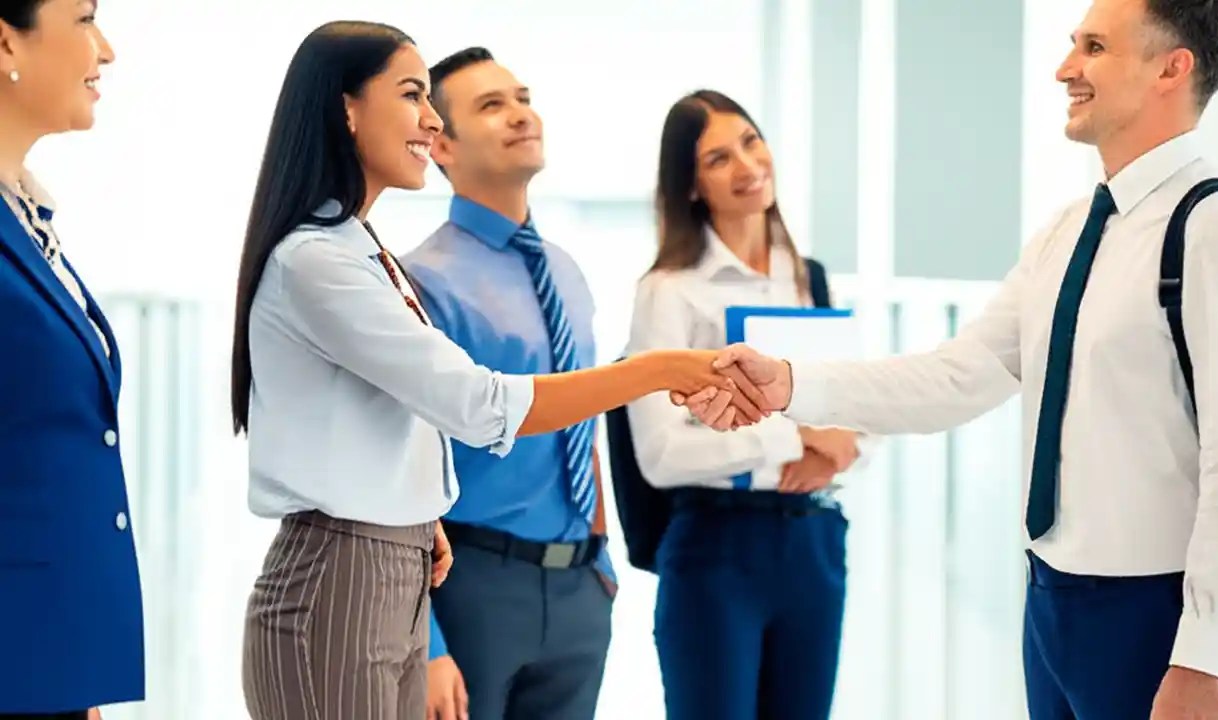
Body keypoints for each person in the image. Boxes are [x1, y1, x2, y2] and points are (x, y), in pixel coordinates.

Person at [685, 1, 1218, 718]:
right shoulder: (1068, 231)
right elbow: (957, 376)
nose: (1066, 69)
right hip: (1052, 606)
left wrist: (1204, 657)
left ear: (1171, 68)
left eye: (1093, 47)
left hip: (1155, 620)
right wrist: (789, 384)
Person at [231, 23, 761, 720]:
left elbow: (401, 421)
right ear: (346, 108)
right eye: (412, 95)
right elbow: (477, 406)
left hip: (423, 564)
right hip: (374, 573)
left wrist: (425, 516)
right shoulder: (322, 261)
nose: (427, 118)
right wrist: (657, 370)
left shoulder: (366, 253)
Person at [622, 89, 865, 720]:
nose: (747, 165)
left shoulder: (808, 278)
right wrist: (796, 441)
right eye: (718, 158)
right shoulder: (669, 292)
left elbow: (854, 416)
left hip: (811, 540)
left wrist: (836, 452)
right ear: (692, 185)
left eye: (751, 143)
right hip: (716, 548)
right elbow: (663, 453)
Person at [399, 47, 612, 720]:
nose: (521, 114)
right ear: (441, 145)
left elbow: (585, 419)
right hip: (474, 584)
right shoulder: (421, 280)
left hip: (580, 585)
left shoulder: (567, 272)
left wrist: (602, 559)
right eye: (492, 106)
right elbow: (401, 457)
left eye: (522, 97)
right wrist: (427, 640)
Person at [0, 2, 128, 719]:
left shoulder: (25, 215)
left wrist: (71, 676)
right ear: (4, 39)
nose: (104, 50)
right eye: (83, 19)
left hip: (42, 658)